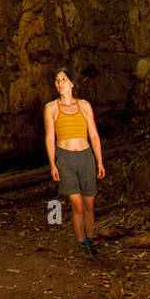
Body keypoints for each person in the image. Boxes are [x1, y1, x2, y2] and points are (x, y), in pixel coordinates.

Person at [44, 67, 105, 257]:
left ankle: (90, 240)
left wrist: (99, 162)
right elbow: (49, 138)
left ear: (72, 84)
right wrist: (53, 164)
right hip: (65, 159)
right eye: (57, 80)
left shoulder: (84, 105)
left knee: (89, 204)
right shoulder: (51, 108)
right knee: (77, 205)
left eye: (63, 79)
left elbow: (94, 135)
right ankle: (80, 243)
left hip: (86, 157)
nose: (60, 83)